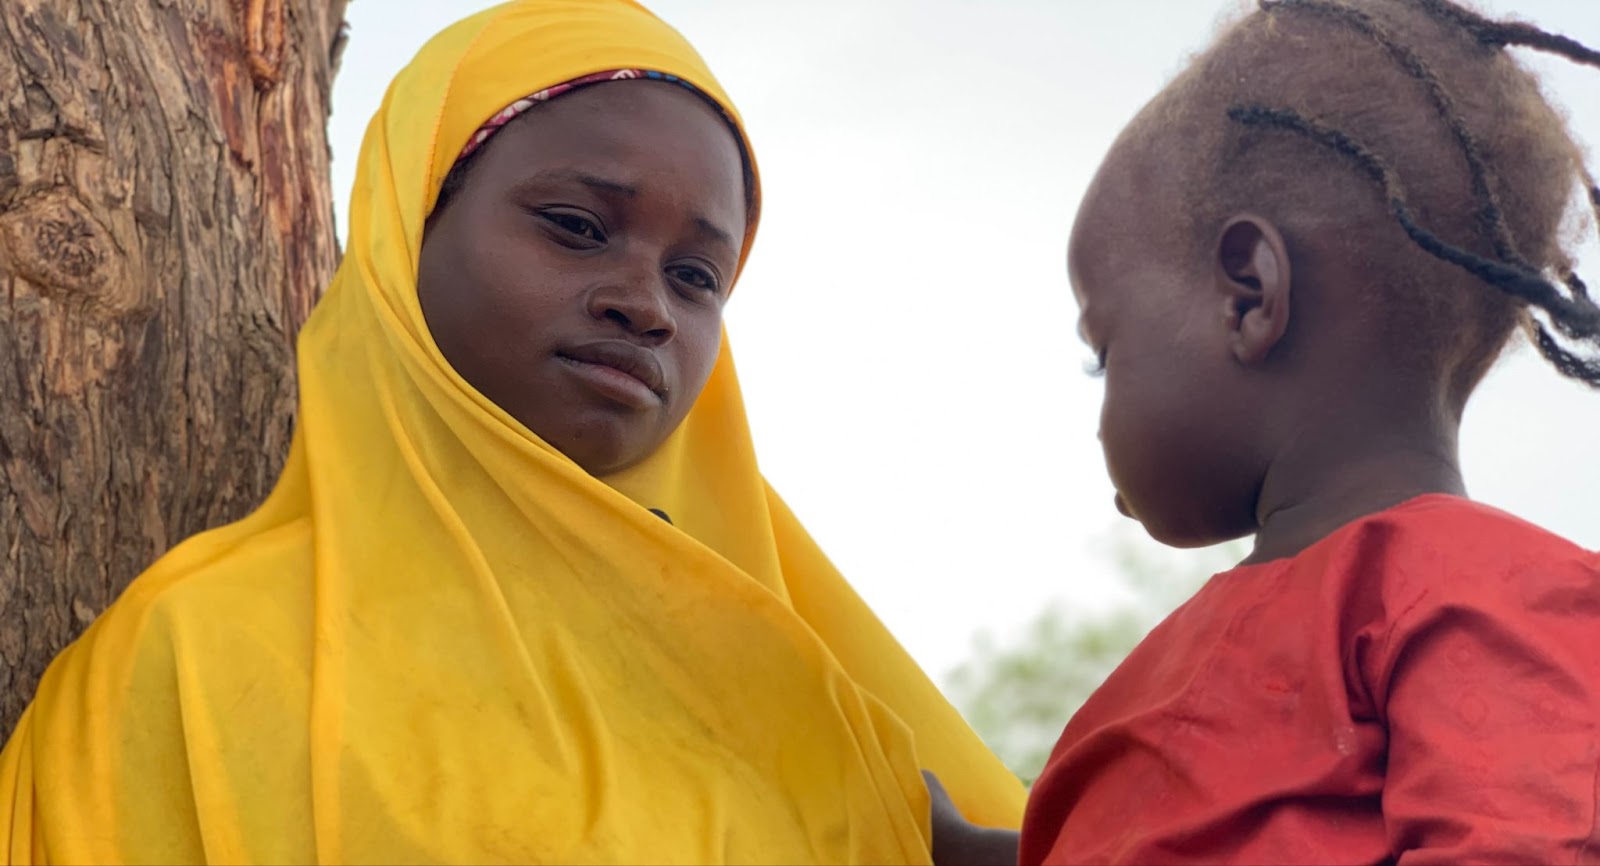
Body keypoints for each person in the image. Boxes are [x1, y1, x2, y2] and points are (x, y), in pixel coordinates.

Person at [0, 2, 1025, 862]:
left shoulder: (807, 711)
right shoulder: (195, 658)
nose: (647, 304)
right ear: (412, 228)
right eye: (578, 226)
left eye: (697, 275)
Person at [1016, 0, 1600, 861]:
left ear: (1248, 294)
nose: (1101, 419)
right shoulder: (1193, 645)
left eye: (1104, 351)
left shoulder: (1482, 593)